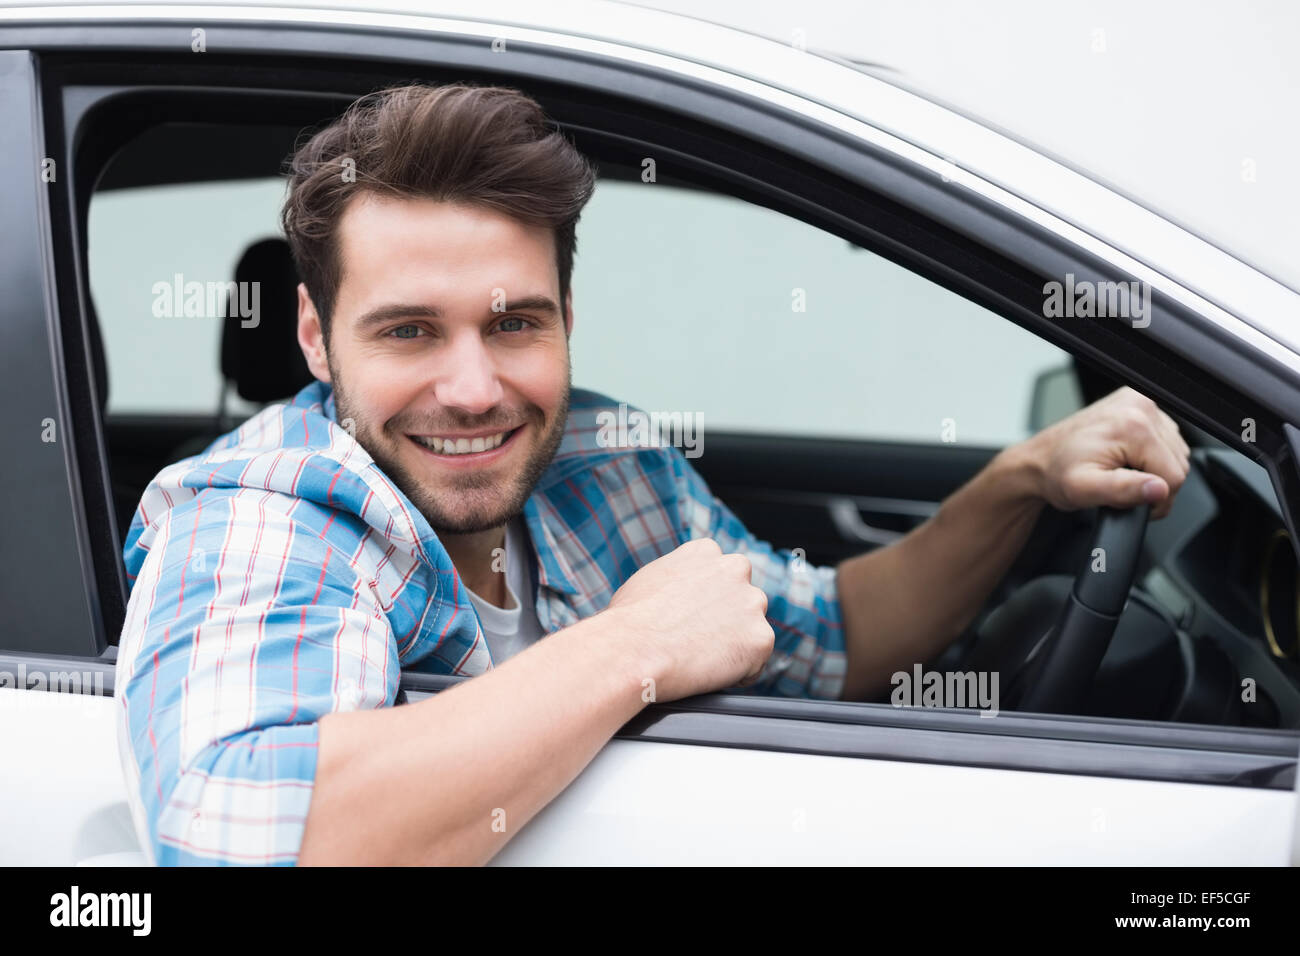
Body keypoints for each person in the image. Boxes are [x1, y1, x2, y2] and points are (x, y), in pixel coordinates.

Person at [114, 83, 1190, 866]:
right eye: (406, 331)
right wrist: (631, 648)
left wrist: (1017, 478)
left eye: (514, 323)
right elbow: (227, 834)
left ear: (566, 319)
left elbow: (836, 635)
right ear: (314, 336)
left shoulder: (597, 455)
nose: (476, 386)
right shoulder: (266, 511)